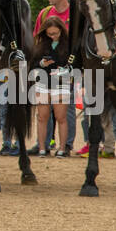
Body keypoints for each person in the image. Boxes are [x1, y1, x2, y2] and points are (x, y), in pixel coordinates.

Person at [31, 16, 70, 156]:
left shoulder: (69, 44)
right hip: (43, 81)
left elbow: (75, 64)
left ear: (61, 30)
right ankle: (42, 147)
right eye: (49, 34)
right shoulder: (41, 44)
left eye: (55, 33)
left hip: (61, 81)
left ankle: (62, 148)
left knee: (61, 117)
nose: (53, 36)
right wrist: (42, 63)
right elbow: (32, 64)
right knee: (42, 116)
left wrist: (64, 70)